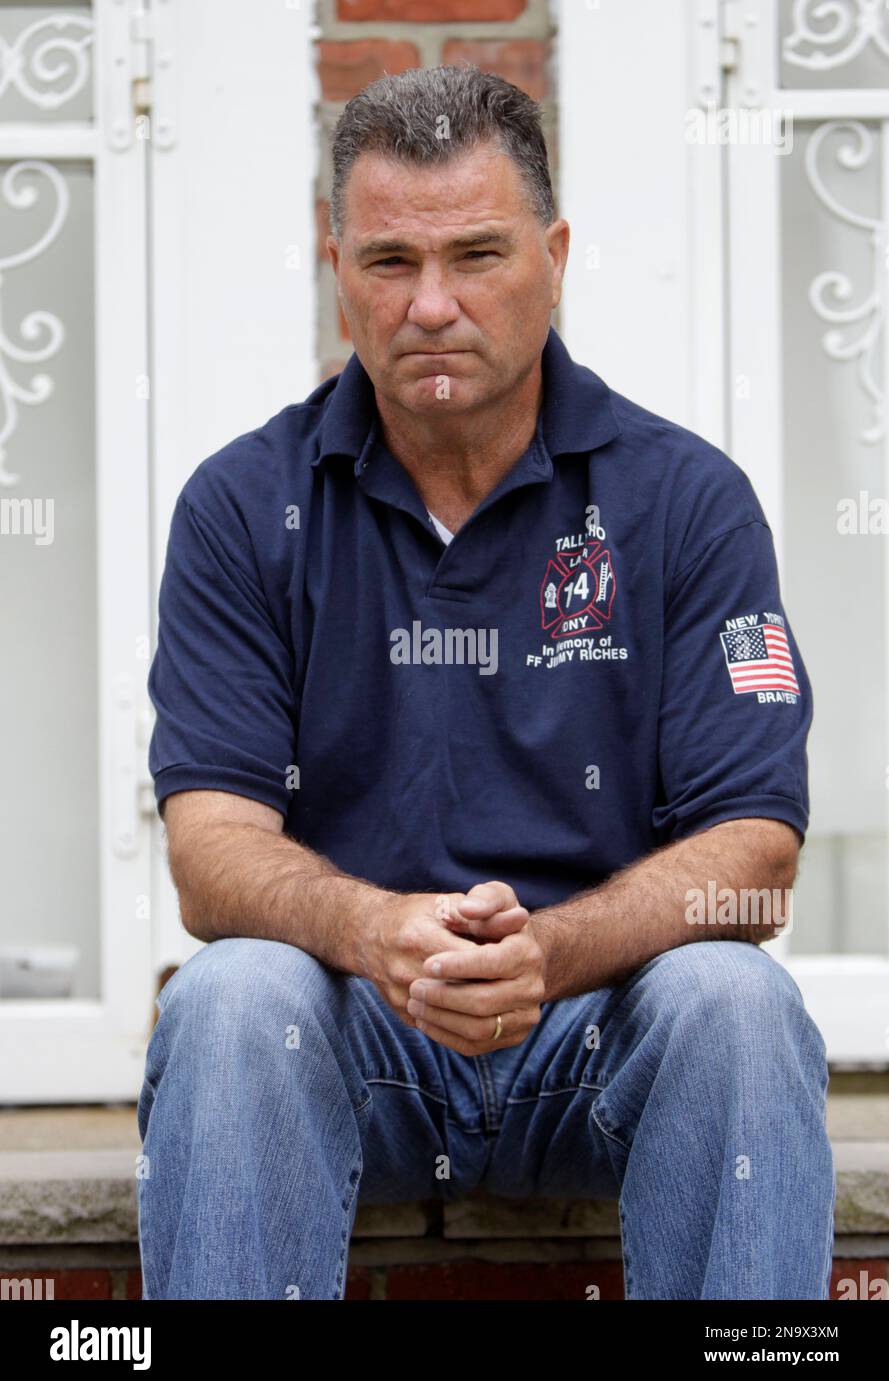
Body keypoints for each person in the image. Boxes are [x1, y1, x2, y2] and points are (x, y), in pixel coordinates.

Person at [137, 65, 835, 1300]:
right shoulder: (246, 507)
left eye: (477, 254)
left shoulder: (683, 503)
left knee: (733, 998)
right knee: (233, 994)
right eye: (391, 262)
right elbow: (209, 853)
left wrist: (550, 954)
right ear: (334, 259)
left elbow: (756, 858)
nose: (432, 305)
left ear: (555, 256)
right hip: (348, 1038)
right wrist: (372, 932)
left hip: (604, 1042)